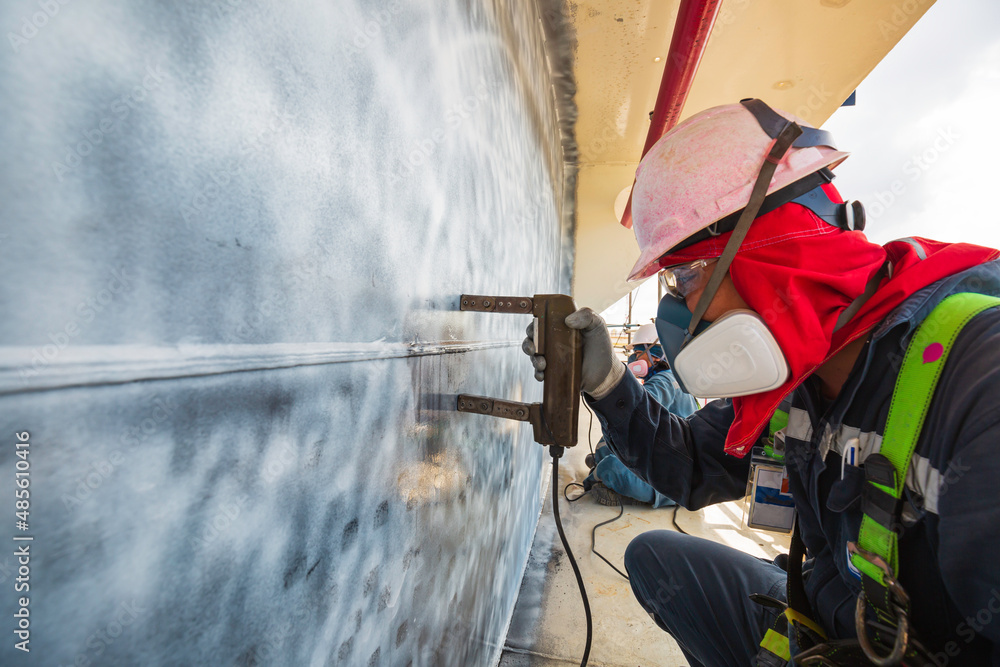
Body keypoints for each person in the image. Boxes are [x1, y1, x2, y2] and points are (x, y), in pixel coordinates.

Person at [523, 99, 1000, 665]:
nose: (679, 312)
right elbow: (695, 465)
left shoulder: (978, 380)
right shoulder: (799, 377)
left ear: (775, 244)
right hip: (826, 619)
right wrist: (607, 383)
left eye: (683, 276)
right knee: (657, 559)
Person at [585, 323, 699, 507]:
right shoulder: (672, 377)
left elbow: (632, 413)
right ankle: (603, 464)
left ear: (655, 353)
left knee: (610, 468)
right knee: (606, 450)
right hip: (673, 455)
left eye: (638, 354)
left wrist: (591, 479)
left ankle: (613, 481)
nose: (633, 359)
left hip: (677, 475)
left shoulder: (663, 382)